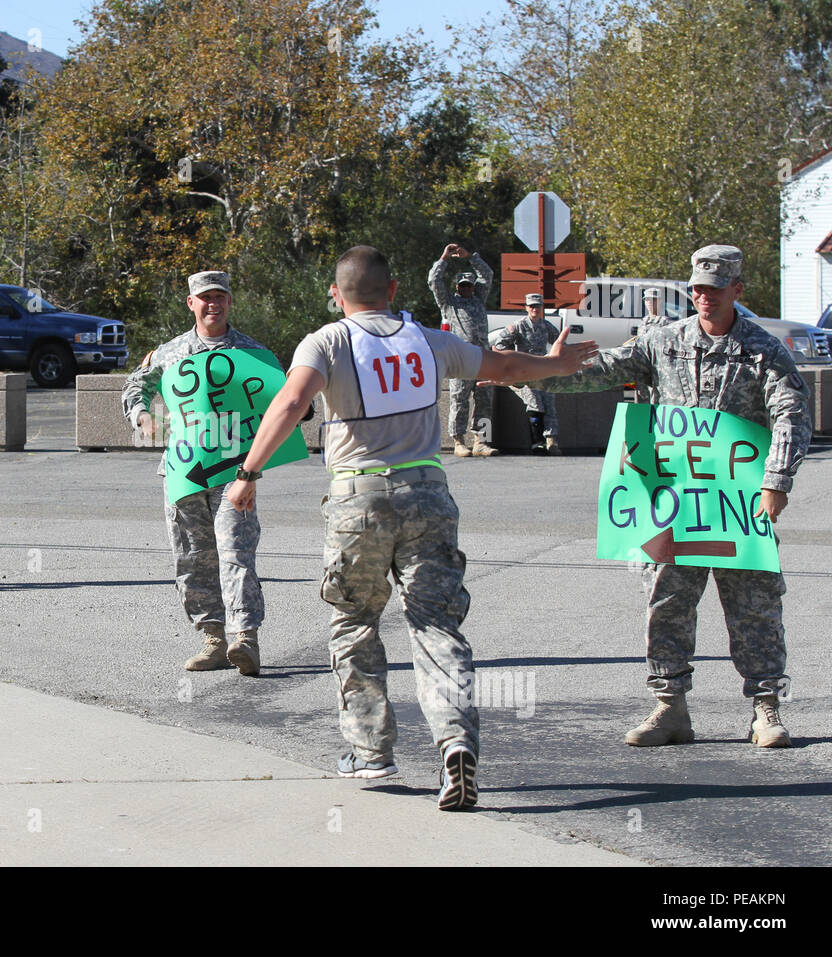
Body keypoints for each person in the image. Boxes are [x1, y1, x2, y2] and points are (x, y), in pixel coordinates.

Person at [226, 246, 598, 809]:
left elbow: (293, 401)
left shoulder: (326, 341)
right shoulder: (429, 340)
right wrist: (557, 366)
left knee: (354, 621)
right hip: (427, 492)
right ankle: (455, 742)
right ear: (394, 290)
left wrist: (248, 472)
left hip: (358, 498)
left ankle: (371, 752)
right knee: (435, 625)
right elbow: (503, 368)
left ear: (336, 294)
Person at [512, 246, 811, 748]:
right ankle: (670, 707)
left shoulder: (763, 351)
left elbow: (791, 412)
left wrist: (776, 479)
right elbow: (602, 370)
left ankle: (766, 708)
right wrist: (541, 368)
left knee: (755, 604)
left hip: (740, 504)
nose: (703, 298)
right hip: (676, 501)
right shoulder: (664, 342)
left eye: (714, 290)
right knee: (667, 600)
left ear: (737, 290)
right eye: (696, 289)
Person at [121, 270, 266, 676]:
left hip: (235, 474)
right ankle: (215, 639)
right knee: (192, 557)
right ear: (191, 303)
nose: (212, 303)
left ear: (230, 301)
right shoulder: (169, 353)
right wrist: (142, 415)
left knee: (236, 552)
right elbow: (136, 387)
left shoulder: (251, 353)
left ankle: (246, 639)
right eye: (205, 297)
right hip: (183, 472)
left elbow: (282, 397)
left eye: (220, 296)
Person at [428, 243, 497, 456]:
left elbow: (488, 274)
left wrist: (470, 256)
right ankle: (458, 441)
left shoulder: (479, 299)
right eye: (463, 286)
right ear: (457, 287)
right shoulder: (449, 303)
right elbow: (434, 281)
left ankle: (481, 441)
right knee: (459, 399)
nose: (466, 288)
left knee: (484, 399)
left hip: (483, 358)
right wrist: (444, 258)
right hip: (461, 359)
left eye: (469, 286)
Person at [490, 293, 562, 454]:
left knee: (549, 405)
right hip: (525, 372)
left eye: (537, 306)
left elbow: (559, 342)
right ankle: (537, 442)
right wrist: (511, 362)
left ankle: (552, 441)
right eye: (531, 306)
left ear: (542, 307)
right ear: (526, 308)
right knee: (535, 404)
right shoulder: (518, 326)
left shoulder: (547, 326)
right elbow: (500, 343)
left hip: (543, 370)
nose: (534, 309)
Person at [634, 286, 675, 405]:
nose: (650, 303)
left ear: (660, 301)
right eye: (647, 300)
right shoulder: (643, 323)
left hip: (658, 367)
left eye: (653, 300)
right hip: (643, 366)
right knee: (641, 399)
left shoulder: (666, 323)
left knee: (657, 400)